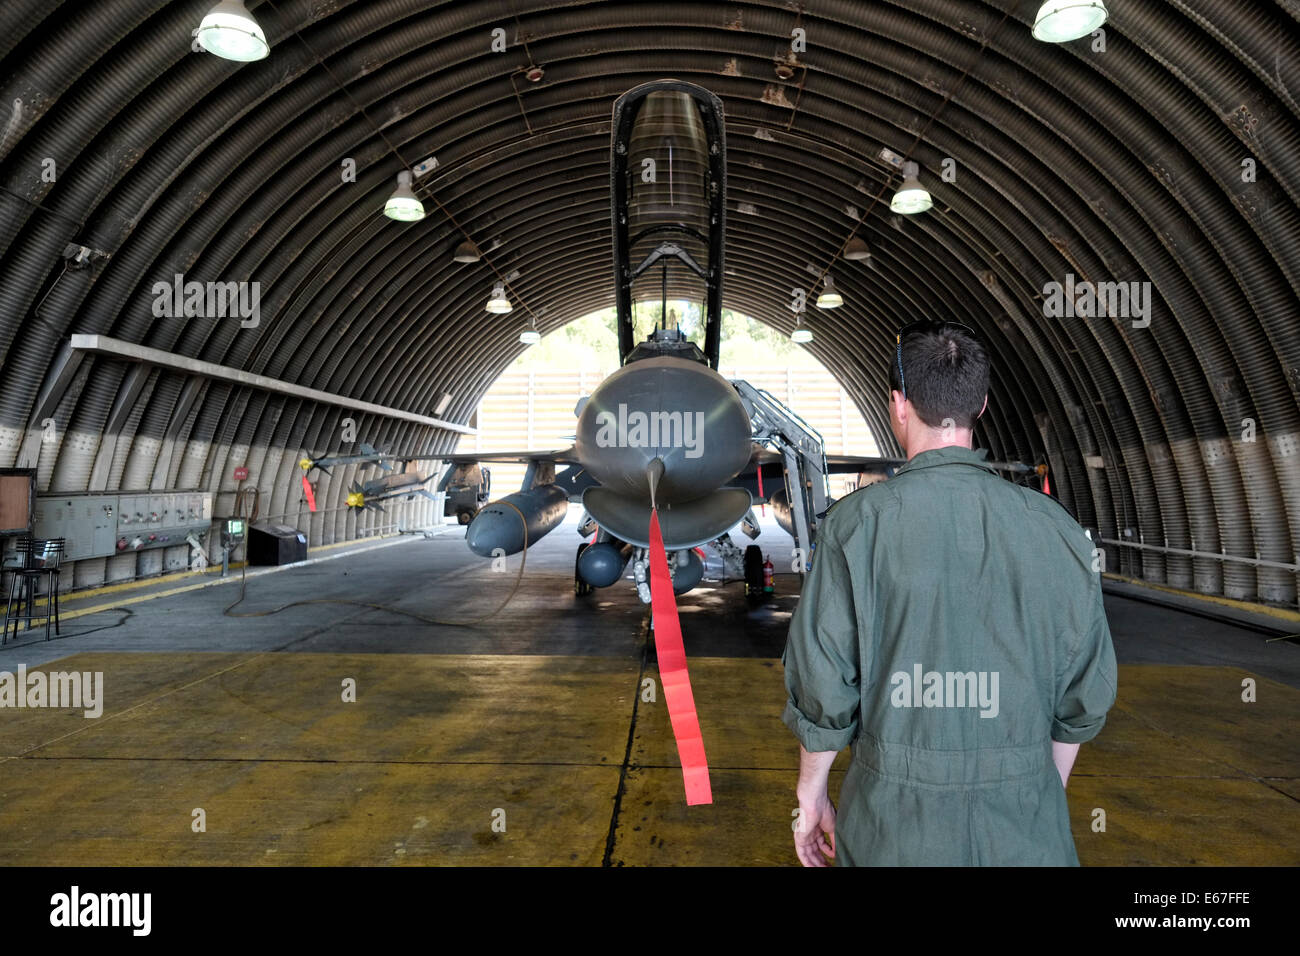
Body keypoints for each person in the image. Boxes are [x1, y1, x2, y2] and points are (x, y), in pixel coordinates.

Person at [782, 321, 1117, 866]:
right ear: (981, 406)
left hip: (893, 830)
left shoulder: (856, 528)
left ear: (897, 404)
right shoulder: (1057, 531)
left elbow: (825, 691)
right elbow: (1081, 699)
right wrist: (1028, 794)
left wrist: (810, 798)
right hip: (1029, 833)